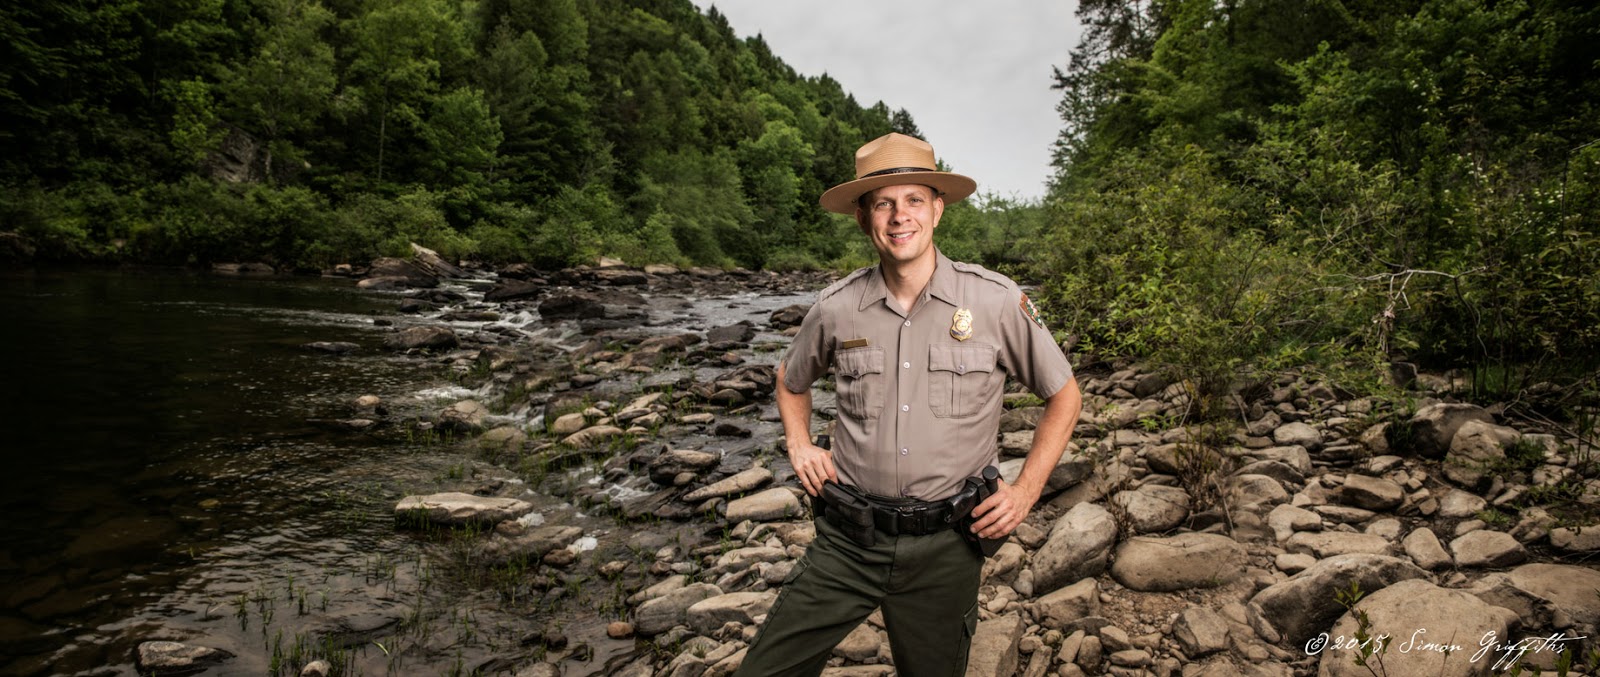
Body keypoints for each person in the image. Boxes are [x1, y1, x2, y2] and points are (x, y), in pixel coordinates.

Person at [735, 133, 1083, 676]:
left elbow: (1064, 393)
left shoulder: (994, 300)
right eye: (883, 203)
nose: (900, 216)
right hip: (848, 542)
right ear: (863, 218)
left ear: (937, 209)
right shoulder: (835, 308)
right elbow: (790, 378)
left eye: (914, 200)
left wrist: (1026, 491)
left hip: (948, 547)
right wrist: (799, 445)